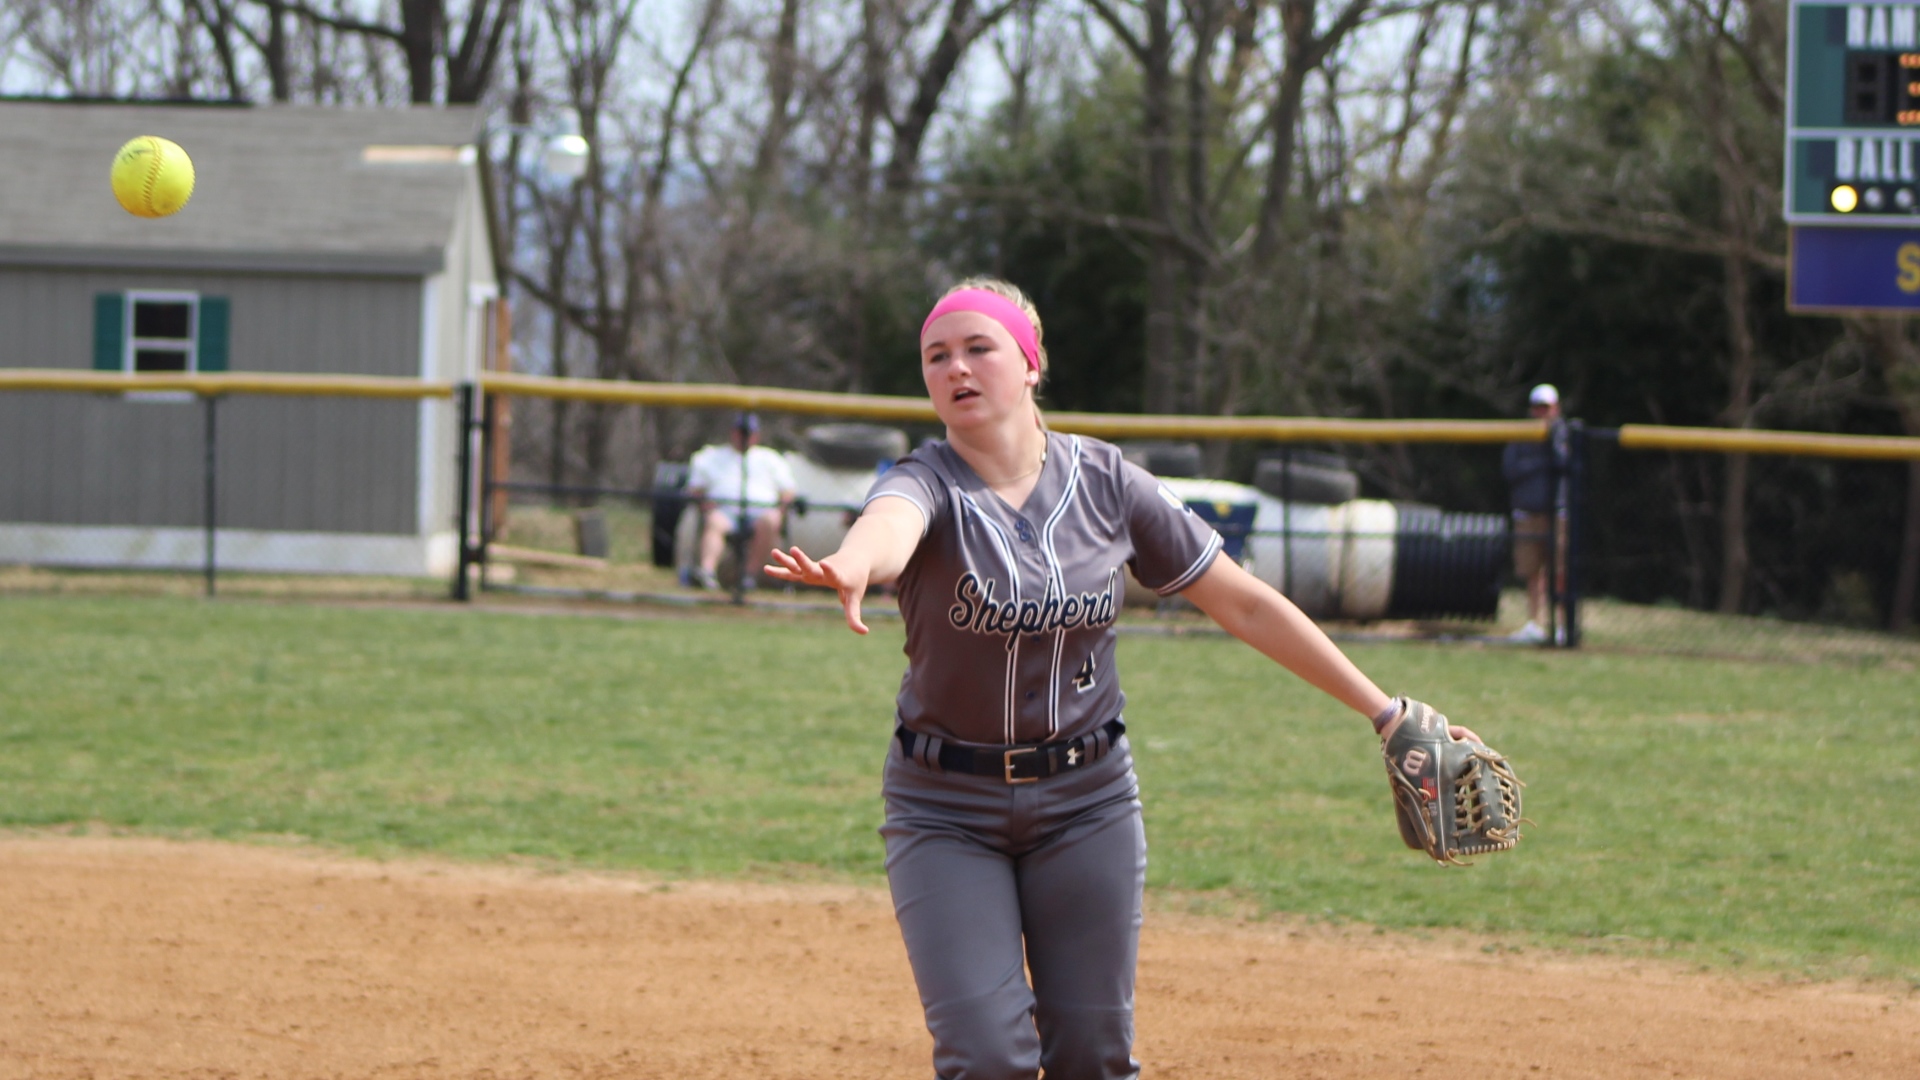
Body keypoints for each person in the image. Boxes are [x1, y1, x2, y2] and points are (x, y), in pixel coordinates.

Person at [765, 278, 1483, 1080]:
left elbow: (1244, 603)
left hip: (1088, 803)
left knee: (1092, 1059)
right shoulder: (925, 479)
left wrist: (1386, 713)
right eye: (937, 356)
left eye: (978, 348)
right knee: (989, 1058)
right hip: (945, 809)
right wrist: (854, 562)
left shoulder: (1108, 482)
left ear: (1030, 363)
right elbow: (890, 525)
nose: (956, 367)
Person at [684, 412, 795, 590]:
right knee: (714, 521)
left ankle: (748, 576)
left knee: (771, 520)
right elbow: (695, 489)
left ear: (756, 435)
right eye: (740, 432)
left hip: (761, 512)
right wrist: (705, 505)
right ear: (732, 432)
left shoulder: (770, 458)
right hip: (725, 511)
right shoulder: (711, 456)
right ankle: (707, 573)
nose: (744, 437)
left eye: (748, 433)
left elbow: (788, 491)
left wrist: (781, 509)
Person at [1501, 384, 1569, 644]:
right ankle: (1534, 623)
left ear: (1556, 409)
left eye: (1546, 408)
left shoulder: (1563, 434)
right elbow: (1510, 470)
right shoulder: (1521, 435)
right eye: (1538, 407)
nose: (1542, 413)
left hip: (1556, 513)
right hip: (1527, 513)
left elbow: (1564, 464)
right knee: (1532, 571)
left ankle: (1561, 625)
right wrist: (1541, 464)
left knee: (1559, 571)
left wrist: (1544, 454)